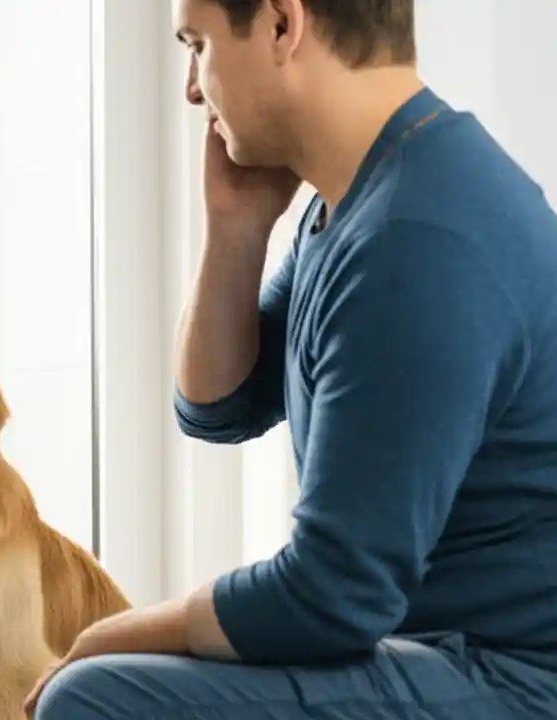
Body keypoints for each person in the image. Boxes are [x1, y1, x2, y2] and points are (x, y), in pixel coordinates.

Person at [27, 0, 557, 717]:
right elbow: (219, 406)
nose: (192, 87)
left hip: (512, 680)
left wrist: (105, 635)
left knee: (93, 698)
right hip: (439, 650)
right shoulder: (367, 195)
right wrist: (236, 229)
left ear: (282, 25)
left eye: (198, 45)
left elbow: (334, 595)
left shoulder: (415, 237)